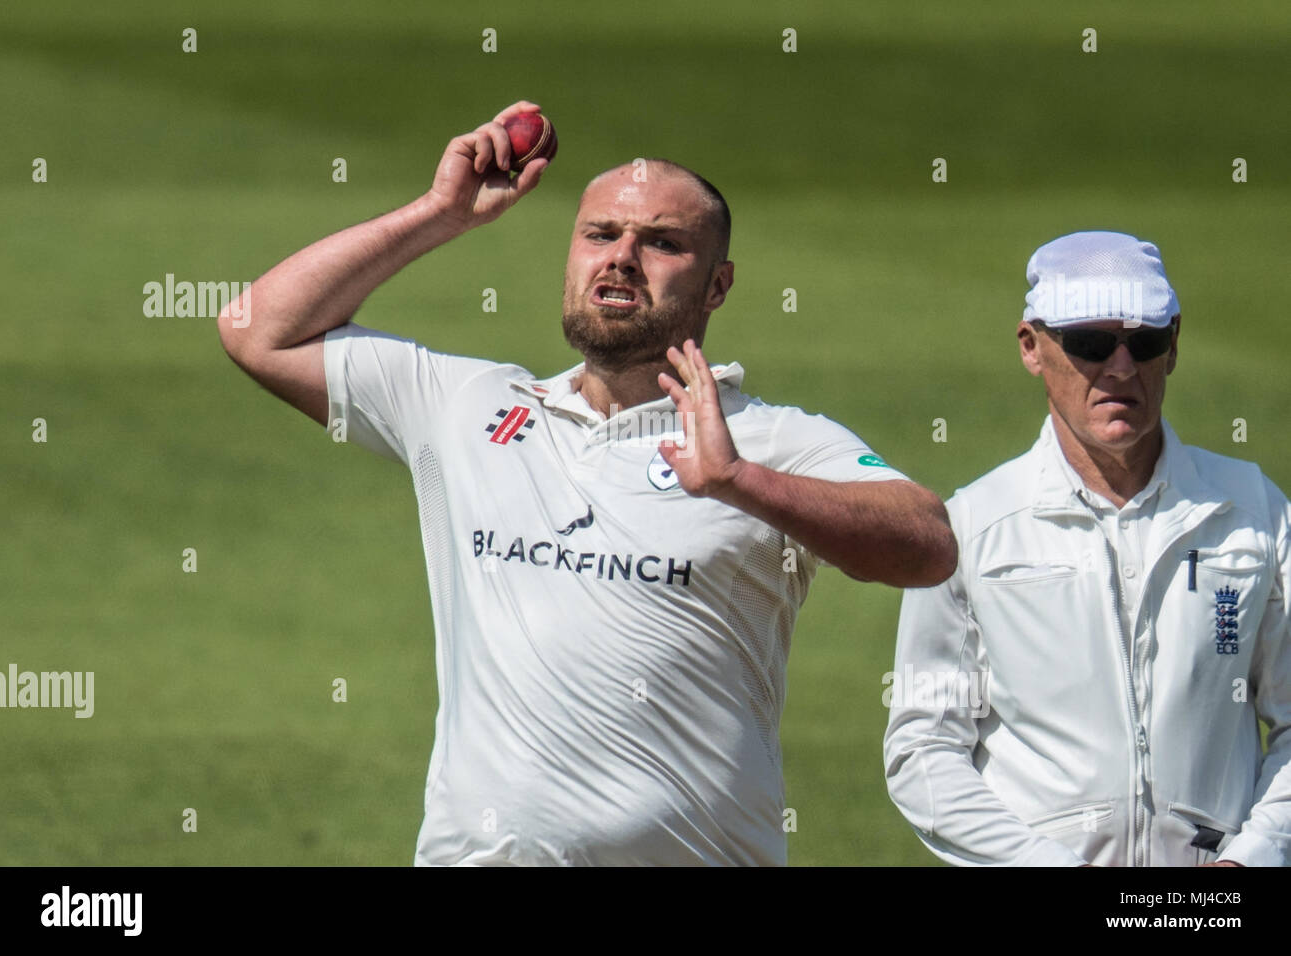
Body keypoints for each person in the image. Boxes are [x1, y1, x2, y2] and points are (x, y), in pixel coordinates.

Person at [217, 101, 957, 866]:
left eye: (662, 243)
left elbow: (927, 543)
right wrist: (440, 214)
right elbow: (255, 328)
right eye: (600, 234)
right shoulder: (468, 407)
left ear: (717, 286)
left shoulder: (767, 439)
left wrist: (741, 482)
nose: (622, 257)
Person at [884, 230, 1291, 866]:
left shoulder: (1254, 511)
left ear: (1174, 344)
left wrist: (1254, 860)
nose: (1121, 368)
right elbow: (923, 750)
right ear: (1031, 347)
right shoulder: (972, 527)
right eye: (1091, 343)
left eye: (1145, 341)